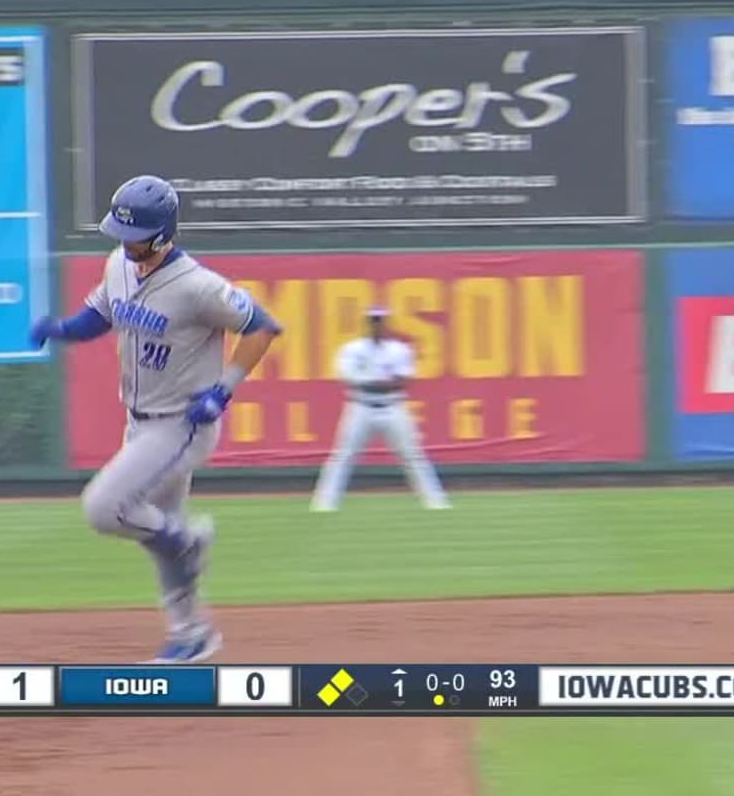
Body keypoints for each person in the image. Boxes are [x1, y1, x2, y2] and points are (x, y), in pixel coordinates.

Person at [30, 174, 283, 664]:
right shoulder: (118, 265)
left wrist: (223, 390)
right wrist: (59, 329)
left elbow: (262, 327)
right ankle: (191, 633)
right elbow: (100, 316)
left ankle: (190, 544)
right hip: (140, 420)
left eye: (134, 235)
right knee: (158, 532)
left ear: (164, 234)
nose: (124, 243)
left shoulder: (198, 287)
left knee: (105, 508)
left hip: (182, 423)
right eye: (120, 233)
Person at [310, 306, 451, 513]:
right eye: (373, 321)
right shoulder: (353, 349)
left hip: (393, 406)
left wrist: (375, 381)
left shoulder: (399, 349)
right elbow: (351, 379)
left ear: (386, 324)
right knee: (343, 456)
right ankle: (324, 504)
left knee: (413, 456)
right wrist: (380, 381)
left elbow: (403, 380)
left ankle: (436, 503)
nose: (377, 325)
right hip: (361, 406)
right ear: (368, 324)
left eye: (380, 321)